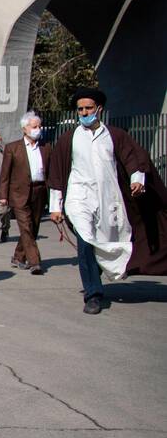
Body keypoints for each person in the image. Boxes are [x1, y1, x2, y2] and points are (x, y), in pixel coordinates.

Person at [48, 87, 167, 315]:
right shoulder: (68, 138)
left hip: (108, 201)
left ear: (99, 109)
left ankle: (98, 274)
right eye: (80, 109)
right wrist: (55, 206)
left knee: (102, 243)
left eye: (88, 108)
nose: (84, 112)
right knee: (84, 243)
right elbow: (57, 173)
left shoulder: (114, 135)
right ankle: (93, 294)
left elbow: (134, 157)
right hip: (79, 199)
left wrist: (137, 179)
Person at [0, 112, 50, 274]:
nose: (38, 130)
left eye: (39, 126)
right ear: (24, 129)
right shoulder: (13, 148)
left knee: (33, 227)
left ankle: (18, 257)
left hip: (39, 191)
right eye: (34, 127)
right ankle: (34, 261)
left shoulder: (46, 147)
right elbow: (5, 175)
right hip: (19, 193)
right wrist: (3, 196)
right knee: (25, 226)